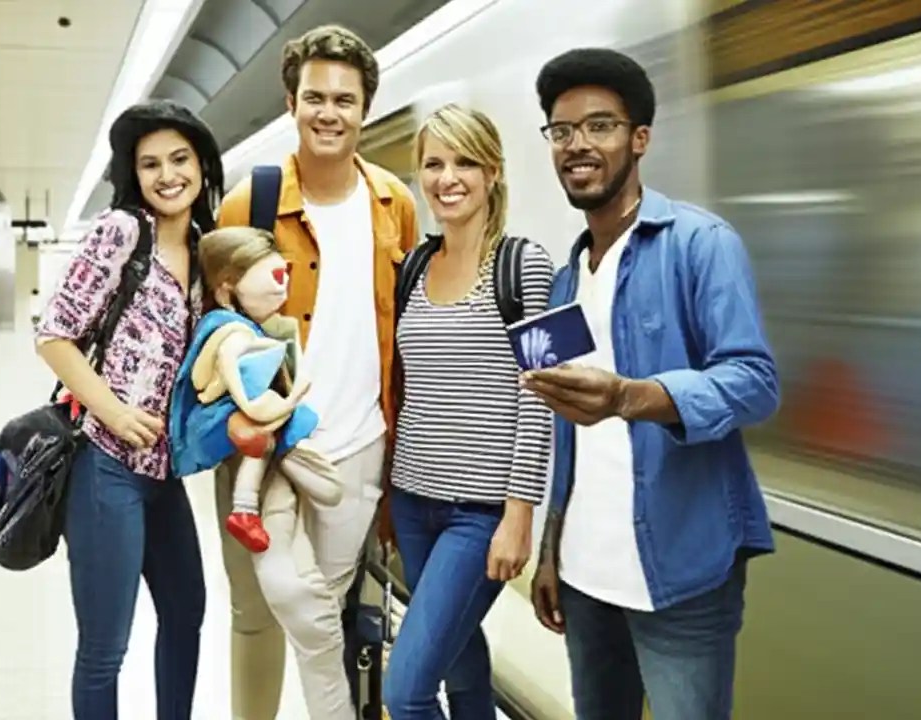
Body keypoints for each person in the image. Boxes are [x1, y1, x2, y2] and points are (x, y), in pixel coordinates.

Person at [521, 48, 780, 720]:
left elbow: (754, 382)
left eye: (600, 126)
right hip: (583, 577)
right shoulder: (564, 278)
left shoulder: (701, 243)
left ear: (639, 140)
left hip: (683, 579)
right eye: (561, 130)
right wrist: (551, 552)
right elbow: (566, 440)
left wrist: (629, 397)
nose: (577, 145)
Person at [211, 23, 419, 720]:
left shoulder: (395, 203)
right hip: (271, 449)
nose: (329, 112)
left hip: (359, 445)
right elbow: (213, 328)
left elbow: (405, 330)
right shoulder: (251, 203)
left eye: (345, 99)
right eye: (314, 97)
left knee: (324, 599)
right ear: (290, 105)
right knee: (288, 599)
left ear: (365, 109)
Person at [33, 99, 223, 720]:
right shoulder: (122, 232)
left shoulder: (203, 249)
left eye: (179, 159)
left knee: (187, 612)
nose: (167, 175)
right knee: (105, 647)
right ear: (133, 174)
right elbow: (54, 334)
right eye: (150, 164)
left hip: (163, 475)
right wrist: (114, 412)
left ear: (201, 165)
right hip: (105, 467)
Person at [382, 104, 555, 719]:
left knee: (404, 693)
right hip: (411, 499)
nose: (446, 178)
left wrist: (518, 516)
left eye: (464, 162)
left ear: (493, 173)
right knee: (461, 663)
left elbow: (541, 398)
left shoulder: (525, 265)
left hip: (478, 516)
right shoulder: (414, 268)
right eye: (433, 163)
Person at [168, 225, 344, 553]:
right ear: (227, 286)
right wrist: (279, 402)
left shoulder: (240, 327)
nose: (284, 286)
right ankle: (245, 508)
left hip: (236, 422)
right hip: (234, 421)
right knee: (321, 483)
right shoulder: (234, 332)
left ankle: (246, 507)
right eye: (276, 277)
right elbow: (238, 380)